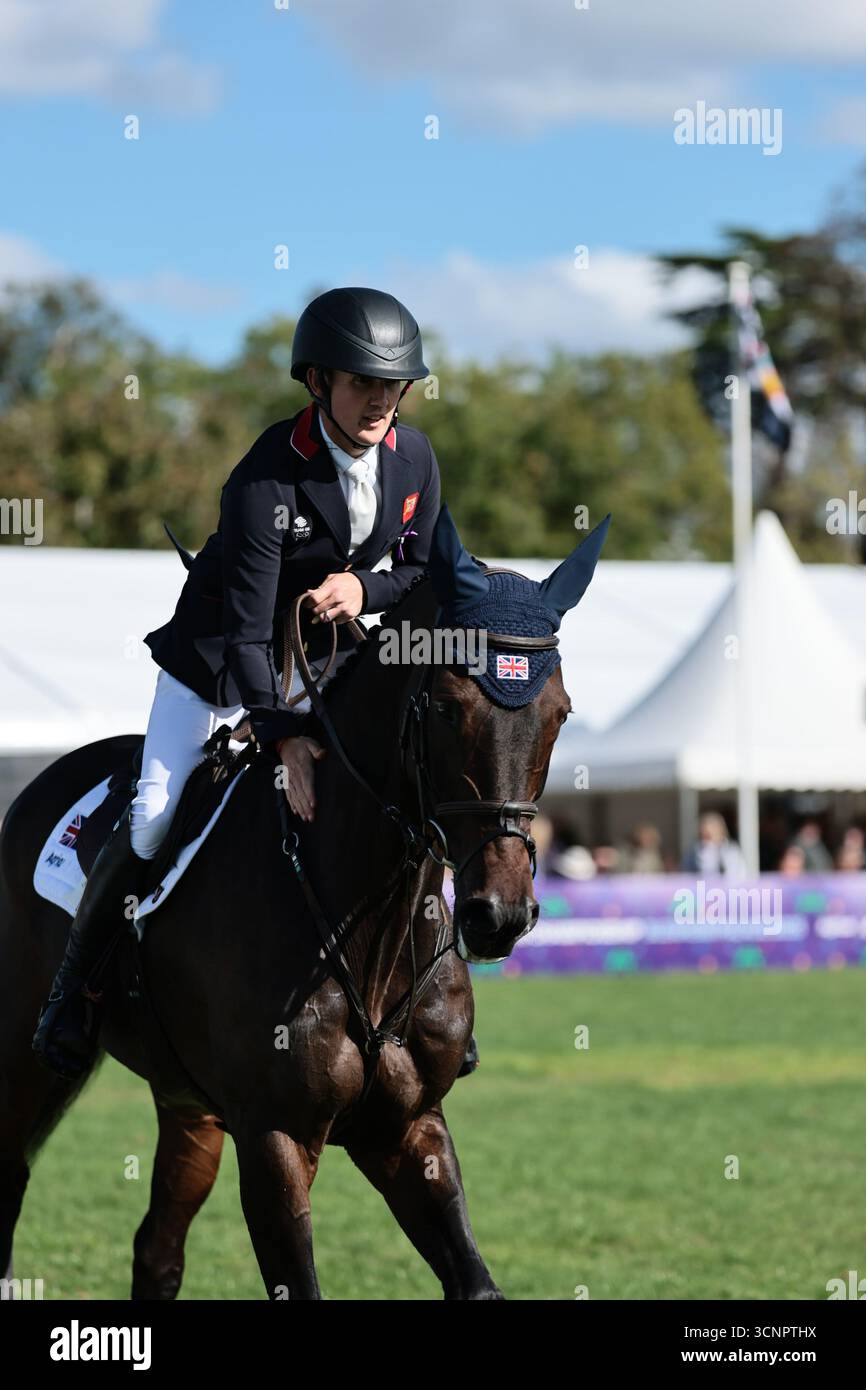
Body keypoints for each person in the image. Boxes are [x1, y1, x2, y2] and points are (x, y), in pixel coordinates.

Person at [33, 286, 468, 1080]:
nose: (379, 401)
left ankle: (432, 999)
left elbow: (418, 568)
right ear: (317, 384)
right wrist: (285, 737)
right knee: (153, 822)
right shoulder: (267, 476)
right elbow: (241, 629)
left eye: (391, 385)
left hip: (321, 656)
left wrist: (364, 593)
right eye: (361, 383)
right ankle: (73, 995)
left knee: (399, 791)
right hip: (216, 668)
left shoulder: (416, 458)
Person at [682, 811, 746, 878]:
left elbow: (739, 874)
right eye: (704, 834)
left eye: (710, 834)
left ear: (721, 831)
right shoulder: (693, 852)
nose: (706, 839)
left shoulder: (732, 850)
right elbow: (686, 875)